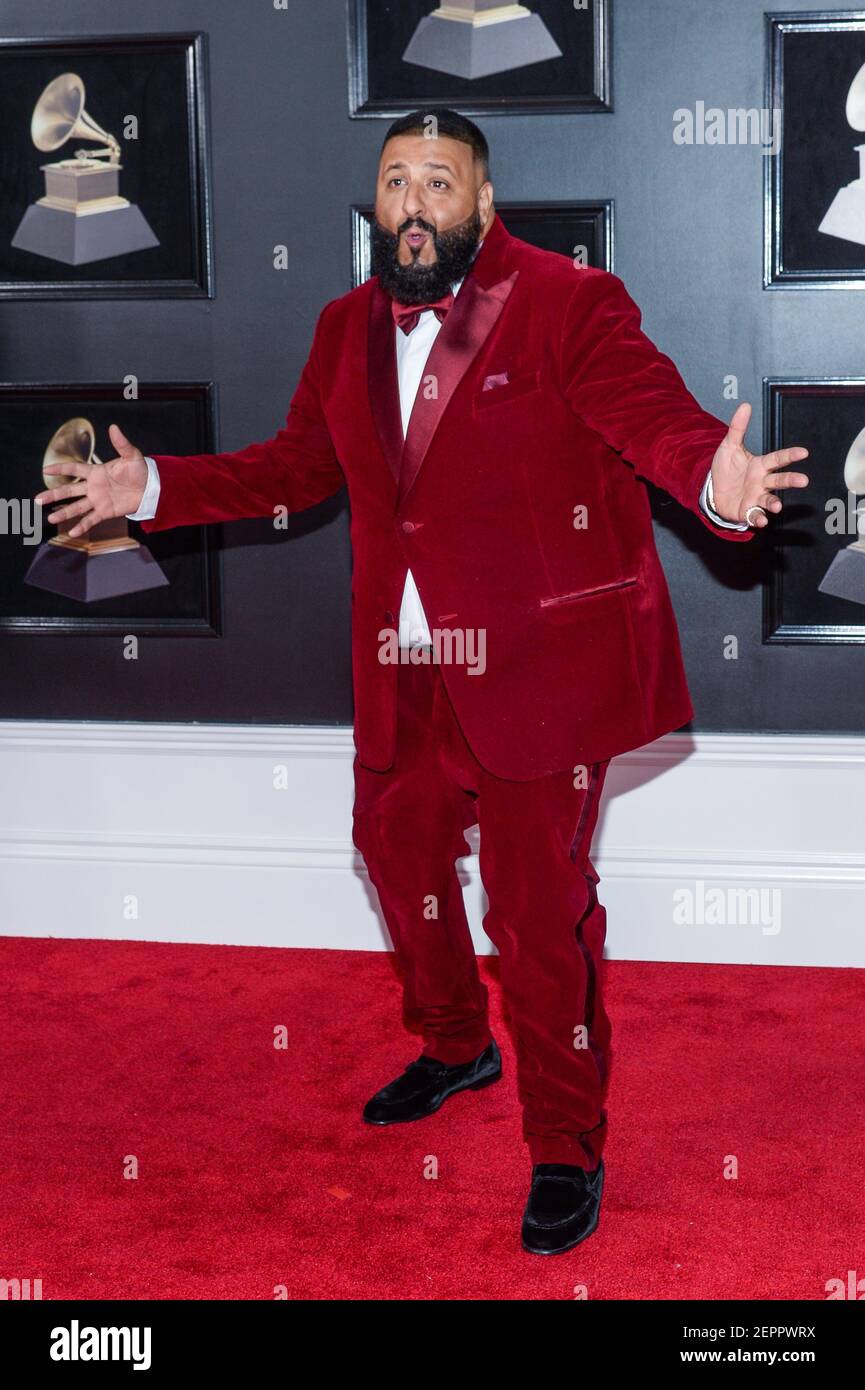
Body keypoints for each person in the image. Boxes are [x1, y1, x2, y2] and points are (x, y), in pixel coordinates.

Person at [35, 108, 809, 1256]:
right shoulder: (344, 323)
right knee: (395, 852)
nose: (412, 203)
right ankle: (457, 1042)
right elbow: (298, 465)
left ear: (482, 205)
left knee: (535, 915)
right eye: (395, 181)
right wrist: (155, 489)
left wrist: (713, 475)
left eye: (437, 183)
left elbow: (649, 415)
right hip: (409, 666)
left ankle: (564, 1142)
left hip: (542, 673)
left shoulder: (568, 302)